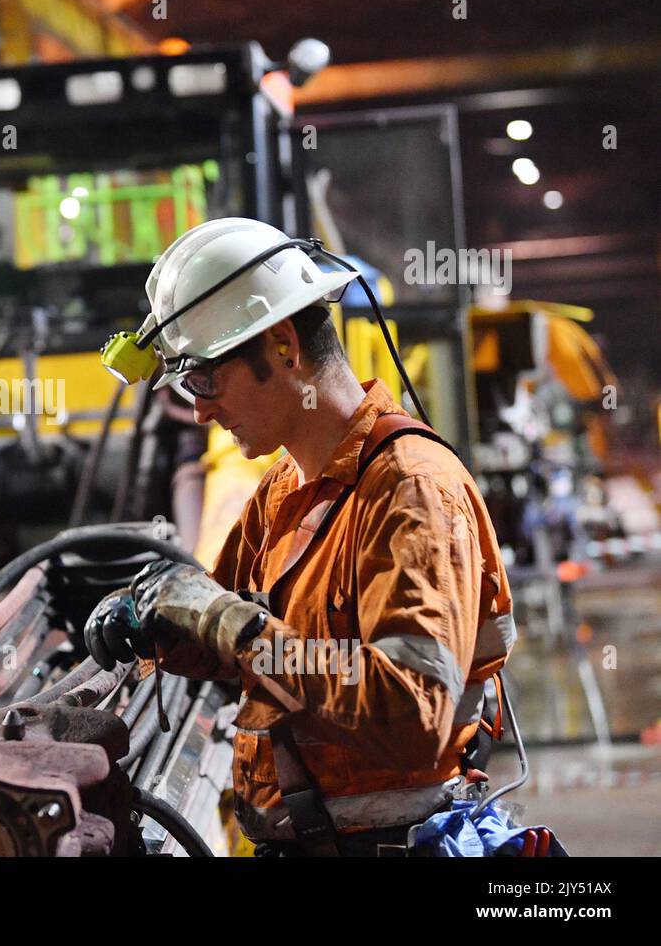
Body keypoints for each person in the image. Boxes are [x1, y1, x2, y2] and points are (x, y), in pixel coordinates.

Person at [86, 218, 515, 856]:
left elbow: (411, 713)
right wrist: (152, 621)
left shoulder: (412, 490)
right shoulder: (285, 490)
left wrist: (232, 625)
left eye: (203, 379)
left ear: (283, 345)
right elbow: (225, 634)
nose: (199, 410)